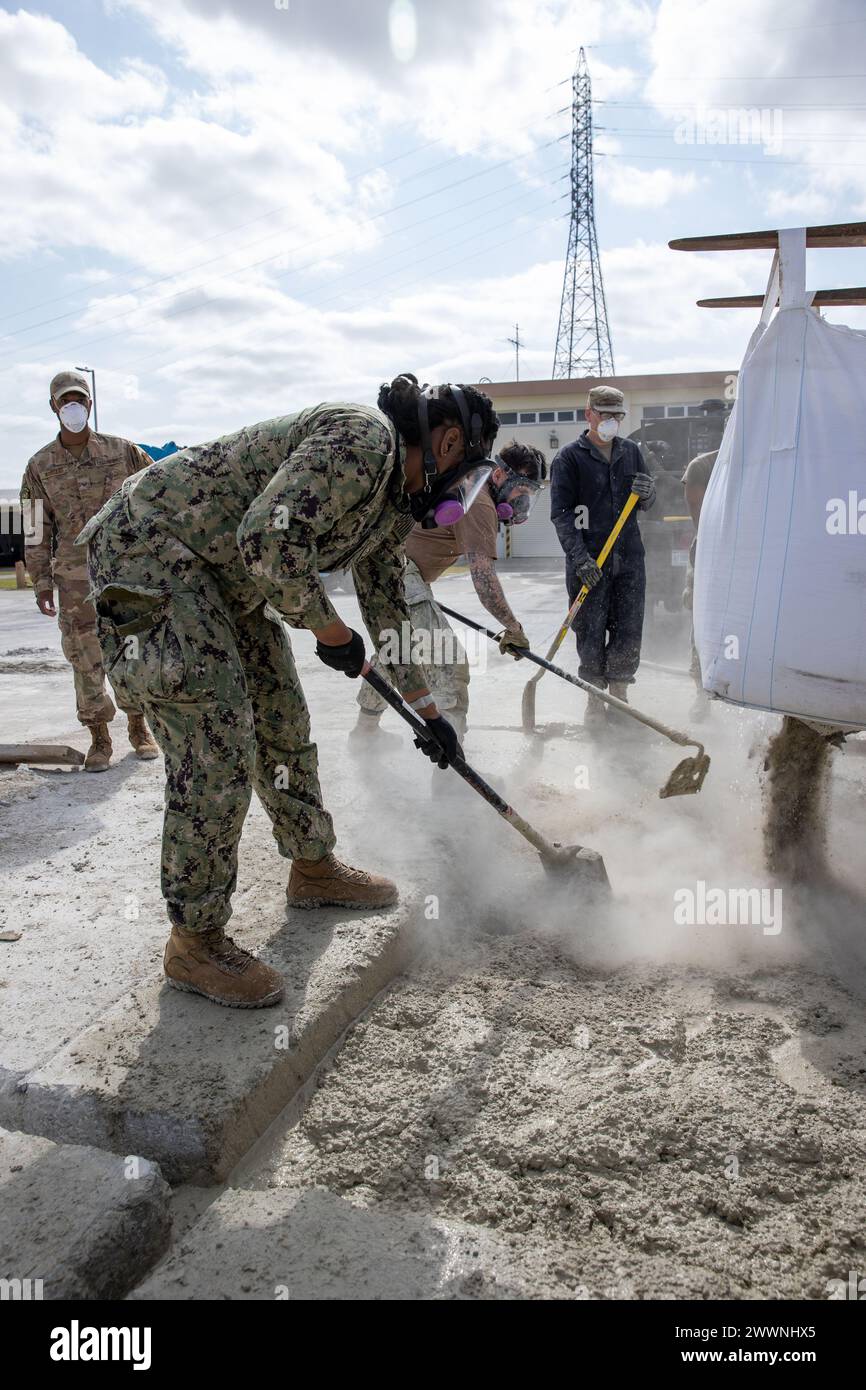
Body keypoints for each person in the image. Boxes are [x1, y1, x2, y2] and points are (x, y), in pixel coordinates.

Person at [76, 375, 499, 1009]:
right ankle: (194, 942)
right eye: (467, 470)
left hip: (228, 578)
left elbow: (389, 613)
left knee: (281, 717)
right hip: (152, 557)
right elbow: (268, 540)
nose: (460, 493)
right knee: (217, 738)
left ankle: (312, 867)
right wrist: (330, 630)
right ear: (447, 441)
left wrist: (430, 715)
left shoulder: (391, 501)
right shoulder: (364, 441)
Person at [353, 439, 545, 740]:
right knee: (449, 664)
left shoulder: (471, 486)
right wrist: (512, 627)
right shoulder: (480, 504)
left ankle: (364, 734)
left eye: (530, 495)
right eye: (522, 490)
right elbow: (483, 579)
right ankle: (450, 765)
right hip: (402, 572)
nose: (522, 501)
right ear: (499, 476)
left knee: (395, 649)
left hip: (388, 566)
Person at [20, 370, 159, 770]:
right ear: (53, 407)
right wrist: (41, 581)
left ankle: (138, 725)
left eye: (78, 399)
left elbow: (156, 494)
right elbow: (34, 527)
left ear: (90, 404)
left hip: (124, 572)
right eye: (65, 401)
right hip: (74, 577)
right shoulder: (39, 465)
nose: (72, 407)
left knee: (131, 648)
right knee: (84, 656)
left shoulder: (123, 451)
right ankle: (99, 736)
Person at [549, 385, 655, 728]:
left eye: (616, 416)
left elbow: (646, 502)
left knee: (628, 627)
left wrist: (648, 493)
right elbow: (562, 514)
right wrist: (580, 559)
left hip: (629, 557)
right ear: (589, 414)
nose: (610, 421)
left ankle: (620, 694)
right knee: (590, 630)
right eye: (604, 414)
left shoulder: (631, 453)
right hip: (589, 561)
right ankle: (595, 699)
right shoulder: (569, 458)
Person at [681, 448, 718, 721]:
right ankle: (700, 695)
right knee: (703, 622)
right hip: (710, 553)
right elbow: (698, 512)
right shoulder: (702, 465)